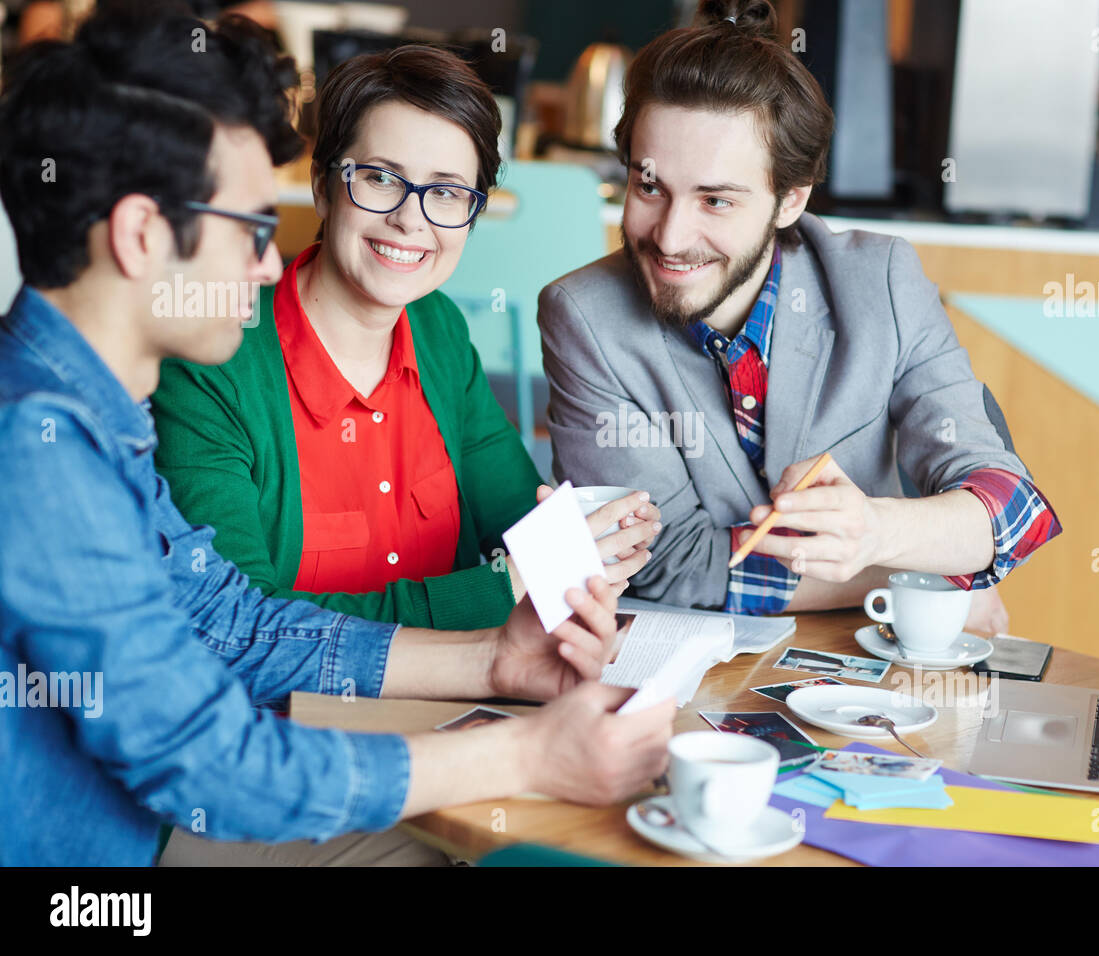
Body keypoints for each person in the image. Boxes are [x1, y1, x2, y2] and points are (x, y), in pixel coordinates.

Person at [0, 9, 673, 868]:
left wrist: (496, 661)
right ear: (141, 235)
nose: (271, 263)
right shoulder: (38, 445)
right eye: (248, 228)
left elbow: (231, 624)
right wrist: (522, 753)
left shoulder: (85, 410)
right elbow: (208, 760)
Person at [539, 0, 1062, 626]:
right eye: (650, 187)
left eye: (716, 200)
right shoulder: (585, 317)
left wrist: (876, 529)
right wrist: (922, 576)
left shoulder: (882, 282)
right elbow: (662, 562)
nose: (671, 236)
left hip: (876, 669)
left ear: (790, 200)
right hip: (705, 678)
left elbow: (1010, 509)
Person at [150, 43, 660, 634]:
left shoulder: (438, 329)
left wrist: (599, 535)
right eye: (380, 178)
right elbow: (236, 626)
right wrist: (513, 581)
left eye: (446, 192)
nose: (410, 220)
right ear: (323, 185)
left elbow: (523, 523)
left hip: (461, 705)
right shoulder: (213, 360)